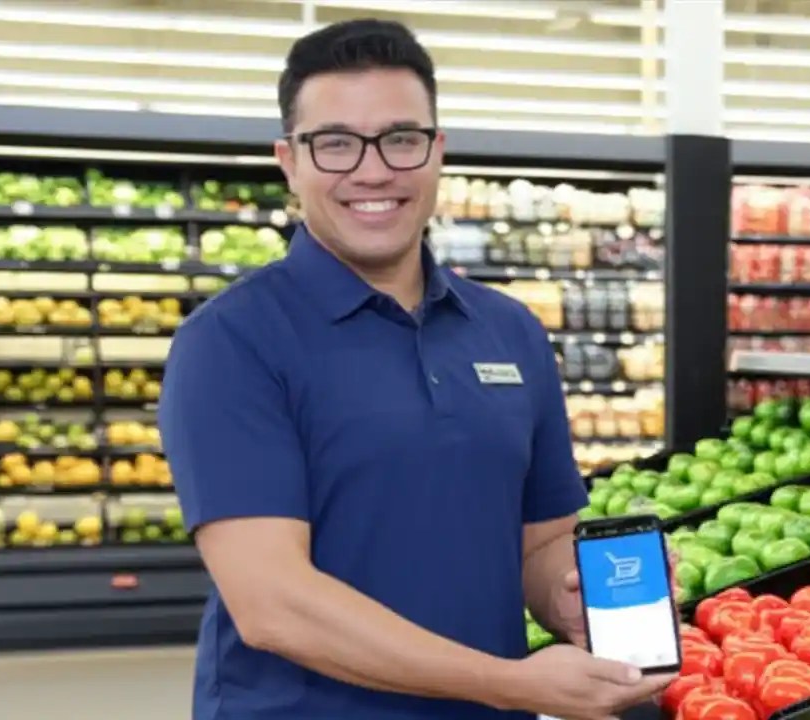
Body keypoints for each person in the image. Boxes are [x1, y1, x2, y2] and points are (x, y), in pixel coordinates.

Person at [159, 18, 674, 720]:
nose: (373, 171)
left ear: (437, 151)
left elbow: (542, 542)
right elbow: (273, 605)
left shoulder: (510, 331)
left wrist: (570, 594)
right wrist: (515, 684)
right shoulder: (232, 342)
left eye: (400, 139)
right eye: (335, 143)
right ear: (290, 161)